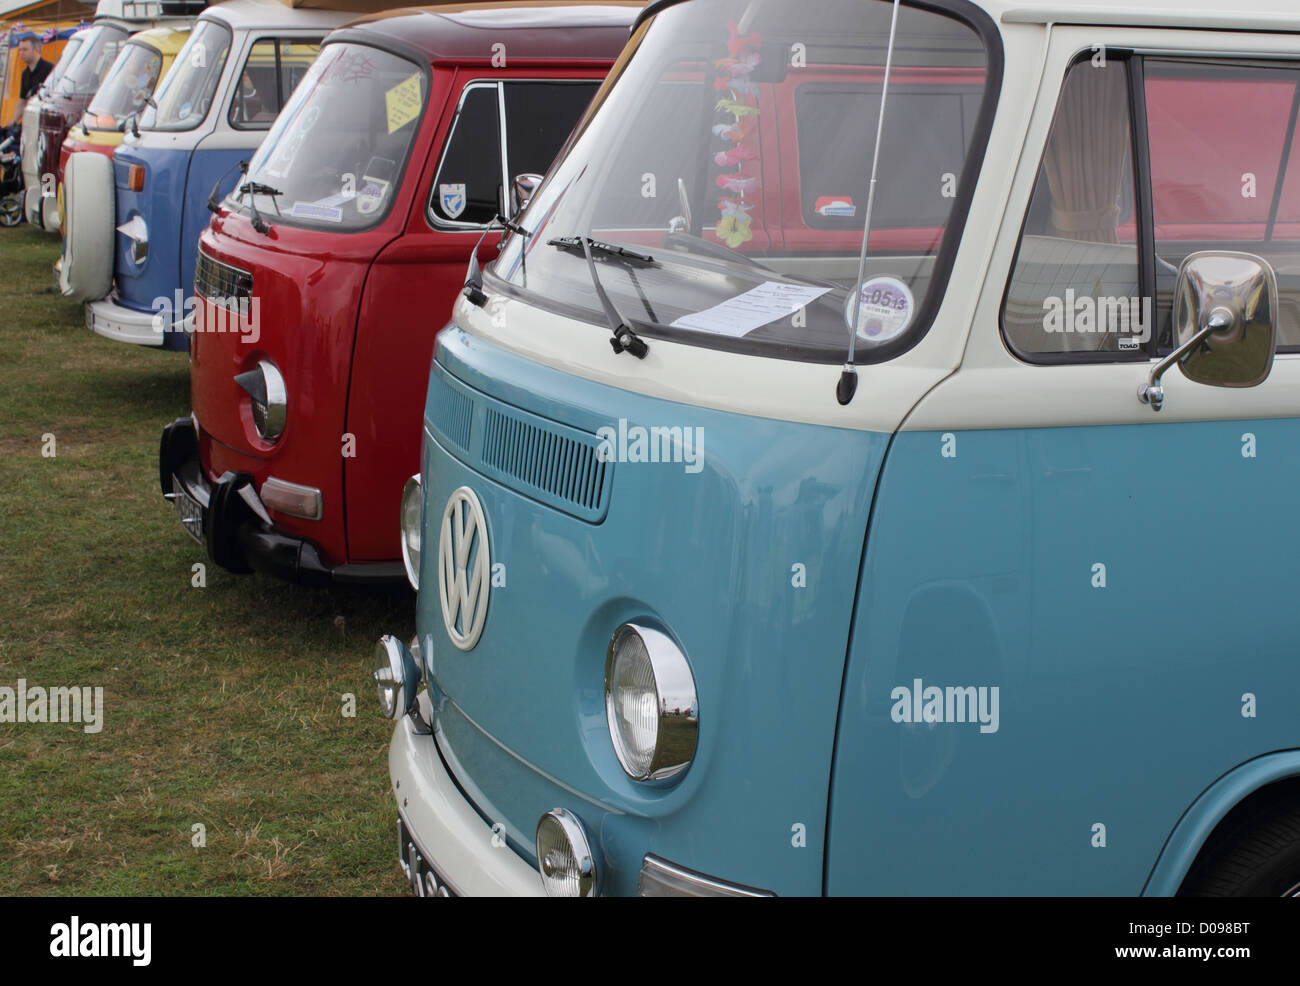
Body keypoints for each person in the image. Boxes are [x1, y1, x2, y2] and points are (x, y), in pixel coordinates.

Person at [15, 33, 54, 121]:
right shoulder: (25, 74)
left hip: (47, 119)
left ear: (36, 50)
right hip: (32, 119)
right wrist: (13, 122)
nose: (21, 53)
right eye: (20, 50)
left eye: (25, 49)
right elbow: (22, 100)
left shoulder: (50, 69)